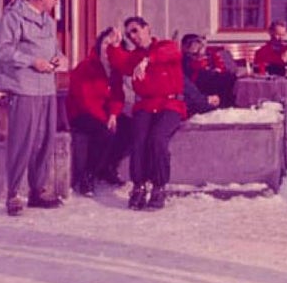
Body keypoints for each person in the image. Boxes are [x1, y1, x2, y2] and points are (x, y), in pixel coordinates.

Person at [0, 0, 66, 215]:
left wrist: (58, 58)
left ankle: (38, 190)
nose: (56, 1)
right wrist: (32, 61)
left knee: (45, 140)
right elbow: (3, 51)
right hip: (24, 87)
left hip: (47, 88)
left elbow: (54, 49)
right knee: (21, 141)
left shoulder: (48, 22)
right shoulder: (14, 17)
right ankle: (13, 194)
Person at [108, 16, 187, 211]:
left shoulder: (166, 45)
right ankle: (139, 185)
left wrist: (147, 61)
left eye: (135, 30)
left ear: (147, 29)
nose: (133, 36)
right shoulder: (133, 56)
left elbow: (170, 53)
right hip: (145, 105)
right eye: (129, 34)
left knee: (158, 139)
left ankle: (159, 186)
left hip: (170, 104)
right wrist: (115, 46)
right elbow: (120, 64)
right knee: (139, 141)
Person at [67, 27, 125, 196]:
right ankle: (88, 175)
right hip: (81, 113)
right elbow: (85, 100)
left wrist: (113, 115)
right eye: (106, 42)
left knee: (131, 128)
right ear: (99, 45)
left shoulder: (115, 70)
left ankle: (108, 166)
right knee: (103, 132)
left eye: (113, 44)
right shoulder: (86, 67)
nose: (108, 48)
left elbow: (117, 95)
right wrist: (106, 120)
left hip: (105, 114)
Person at [182, 33, 236, 109]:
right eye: (195, 44)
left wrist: (215, 69)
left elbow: (215, 64)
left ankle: (227, 102)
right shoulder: (185, 58)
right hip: (196, 80)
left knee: (228, 77)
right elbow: (194, 69)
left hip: (206, 76)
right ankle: (223, 103)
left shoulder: (206, 55)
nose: (197, 46)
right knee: (224, 79)